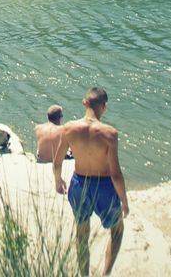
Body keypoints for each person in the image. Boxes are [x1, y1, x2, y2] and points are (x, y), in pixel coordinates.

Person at [53, 87, 129, 276]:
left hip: (79, 184)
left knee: (81, 233)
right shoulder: (109, 133)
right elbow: (116, 173)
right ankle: (105, 273)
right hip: (103, 186)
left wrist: (58, 180)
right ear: (104, 107)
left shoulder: (68, 128)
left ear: (84, 102)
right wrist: (124, 200)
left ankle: (84, 274)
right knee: (117, 229)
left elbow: (57, 161)